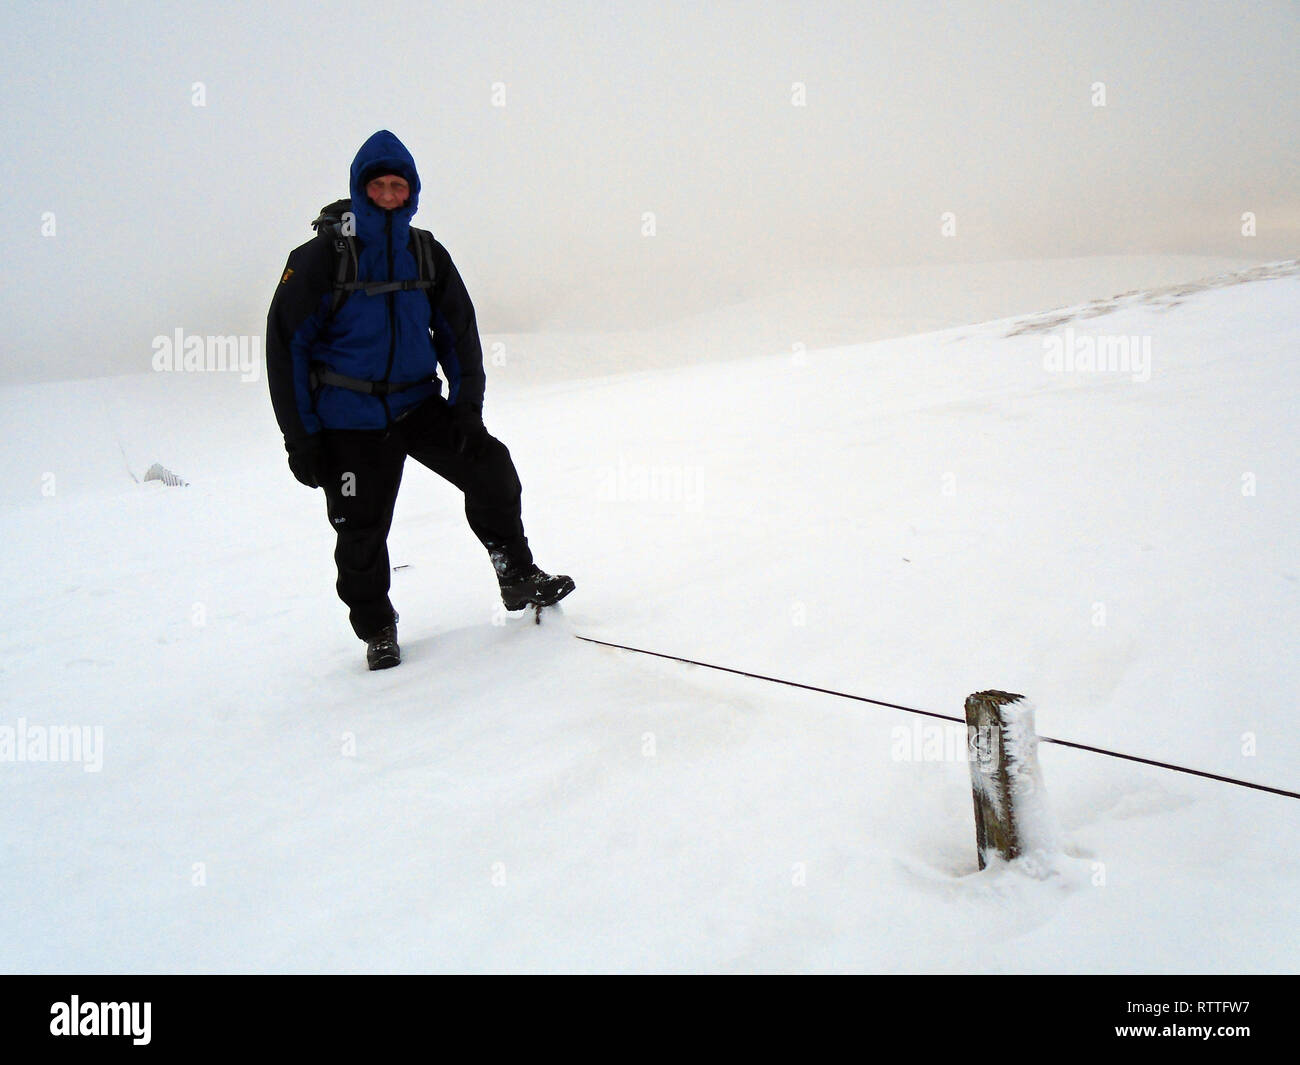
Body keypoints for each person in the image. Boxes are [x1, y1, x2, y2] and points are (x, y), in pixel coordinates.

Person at [266, 129, 573, 669]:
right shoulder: (320, 258)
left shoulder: (425, 253)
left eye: (398, 186)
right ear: (361, 190)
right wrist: (302, 437)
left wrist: (467, 407)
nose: (389, 194)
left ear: (412, 192)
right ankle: (376, 628)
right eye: (379, 185)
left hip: (417, 405)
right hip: (349, 421)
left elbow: (459, 334)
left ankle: (516, 574)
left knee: (491, 468)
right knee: (360, 528)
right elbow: (287, 350)